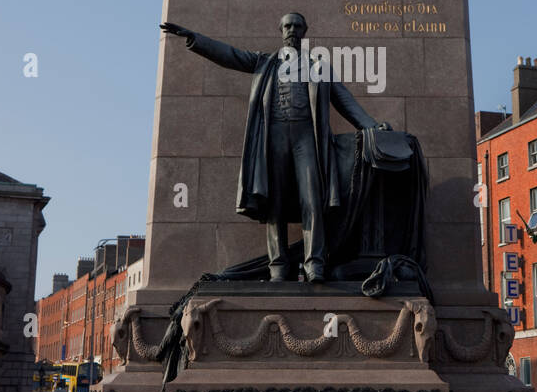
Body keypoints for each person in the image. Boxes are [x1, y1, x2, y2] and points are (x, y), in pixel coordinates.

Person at [161, 14, 389, 282]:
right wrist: (195, 39)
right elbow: (229, 55)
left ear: (305, 32)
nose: (292, 30)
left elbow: (344, 101)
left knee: (312, 200)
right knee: (275, 203)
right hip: (275, 135)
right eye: (288, 26)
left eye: (297, 26)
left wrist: (371, 126)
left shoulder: (318, 67)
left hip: (307, 137)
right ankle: (278, 266)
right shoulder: (264, 62)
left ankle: (315, 263)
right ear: (280, 31)